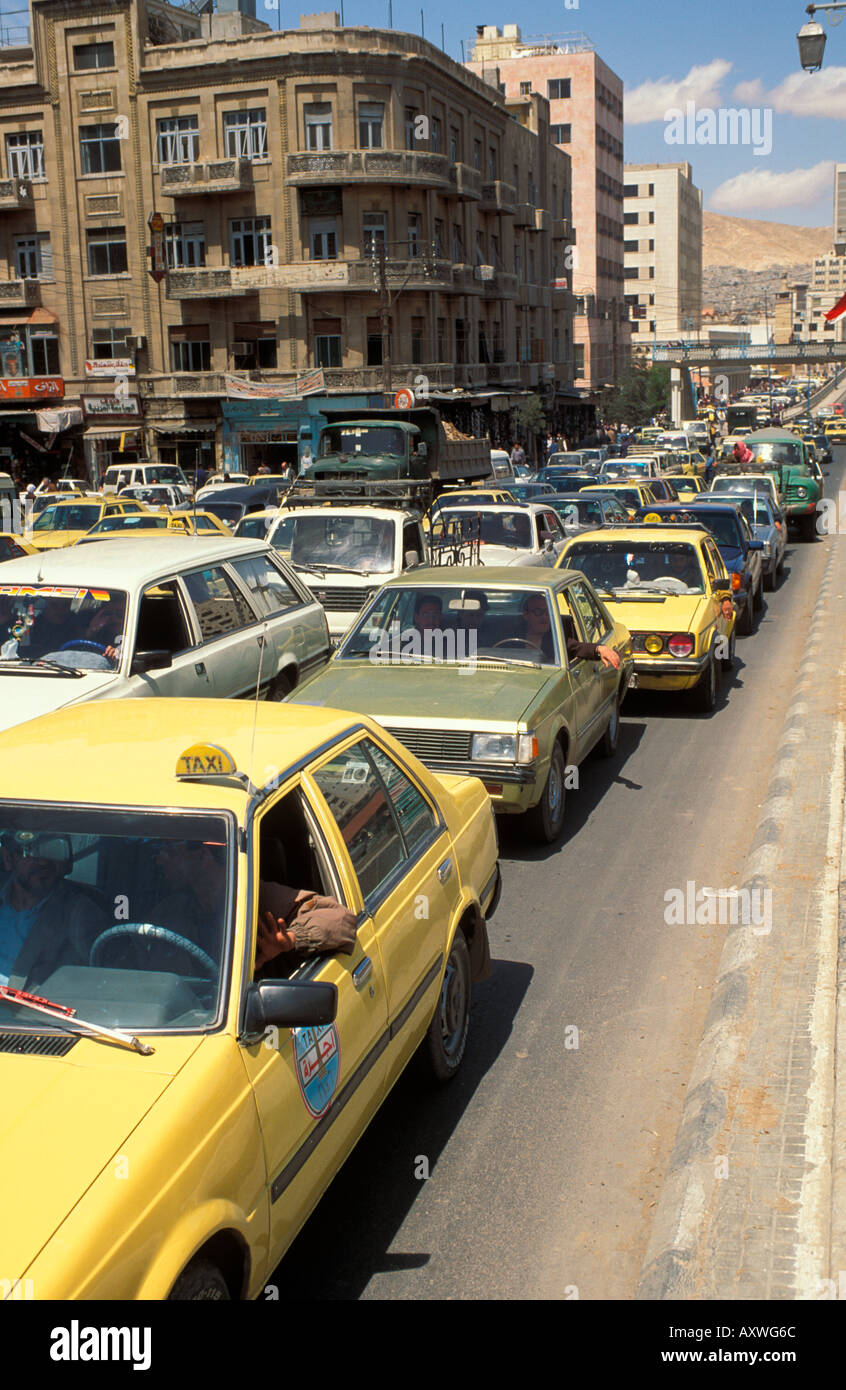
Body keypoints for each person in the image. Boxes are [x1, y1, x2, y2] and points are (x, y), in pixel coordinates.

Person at [153, 839, 356, 975]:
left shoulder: (260, 898)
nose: (158, 860)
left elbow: (341, 919)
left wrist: (292, 939)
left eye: (169, 852)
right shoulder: (172, 910)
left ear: (202, 855)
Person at [0, 831, 107, 990]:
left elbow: (99, 984)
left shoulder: (80, 913)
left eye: (55, 851)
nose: (44, 862)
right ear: (8, 858)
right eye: (32, 853)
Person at [521, 595, 622, 668]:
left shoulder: (557, 639)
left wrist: (600, 648)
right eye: (538, 612)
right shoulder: (510, 636)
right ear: (525, 614)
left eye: (548, 612)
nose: (544, 617)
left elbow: (578, 648)